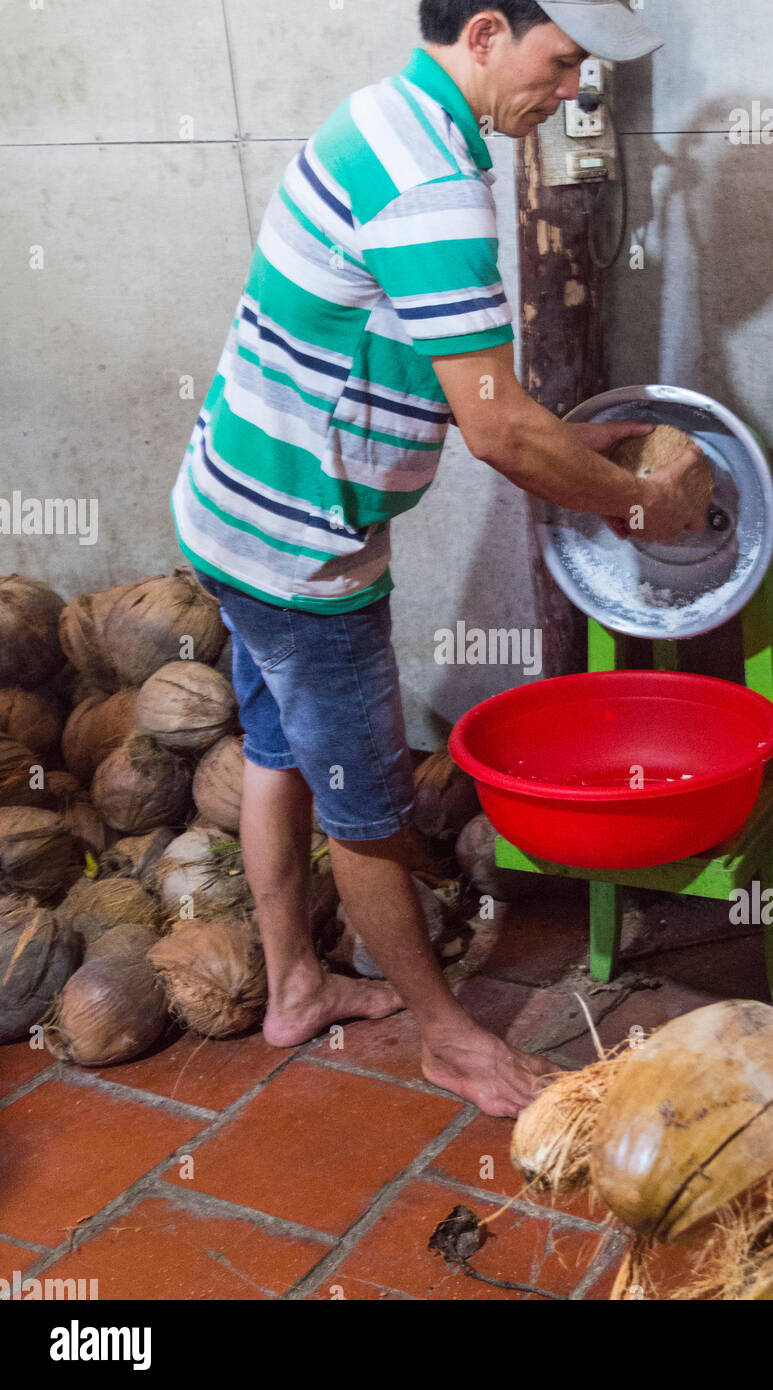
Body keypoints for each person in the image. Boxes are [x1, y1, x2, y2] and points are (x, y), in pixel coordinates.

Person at [169, 0, 710, 1118]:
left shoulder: (386, 121)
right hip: (300, 551)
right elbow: (497, 427)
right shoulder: (436, 187)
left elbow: (460, 384)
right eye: (558, 64)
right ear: (482, 33)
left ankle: (293, 988)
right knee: (365, 805)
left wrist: (578, 448)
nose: (568, 91)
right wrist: (638, 504)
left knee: (276, 745)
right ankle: (451, 1041)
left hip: (227, 503)